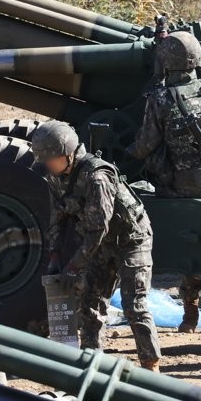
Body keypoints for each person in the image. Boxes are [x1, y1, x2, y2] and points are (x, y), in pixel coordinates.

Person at [126, 31, 201, 335]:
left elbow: (146, 144)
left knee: (192, 244)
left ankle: (190, 315)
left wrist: (125, 155)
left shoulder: (161, 98)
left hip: (182, 187)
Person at [32, 120, 162, 372]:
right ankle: (92, 363)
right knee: (89, 302)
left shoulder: (97, 177)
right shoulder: (55, 177)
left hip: (131, 240)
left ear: (67, 153)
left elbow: (97, 229)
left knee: (134, 304)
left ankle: (151, 364)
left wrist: (74, 265)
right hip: (100, 244)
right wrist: (55, 254)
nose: (47, 165)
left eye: (50, 159)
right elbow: (58, 218)